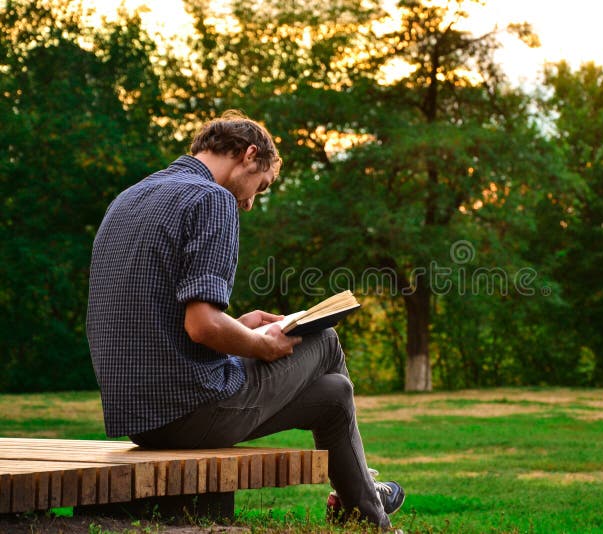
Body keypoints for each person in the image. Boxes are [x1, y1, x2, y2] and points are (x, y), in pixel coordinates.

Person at [86, 110, 404, 530]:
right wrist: (260, 343)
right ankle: (363, 491)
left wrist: (239, 324)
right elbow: (201, 326)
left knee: (333, 394)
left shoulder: (130, 197)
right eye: (261, 186)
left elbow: (166, 321)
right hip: (189, 407)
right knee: (324, 339)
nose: (251, 202)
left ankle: (365, 514)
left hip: (138, 417)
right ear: (249, 155)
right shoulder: (211, 199)